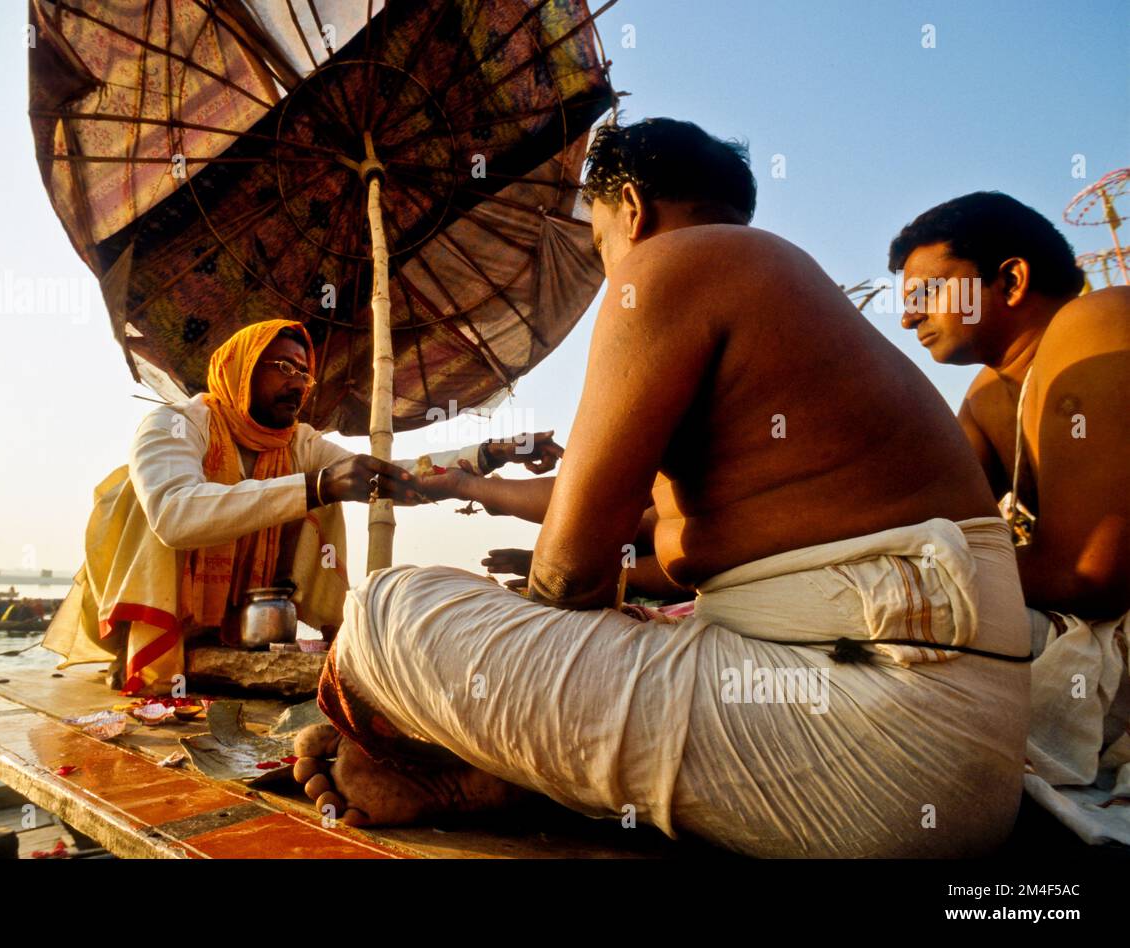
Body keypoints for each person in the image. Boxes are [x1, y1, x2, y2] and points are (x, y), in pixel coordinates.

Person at [290, 118, 1033, 857]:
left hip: (882, 739)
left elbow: (571, 572)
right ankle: (479, 771)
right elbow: (615, 511)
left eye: (599, 241)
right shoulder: (766, 280)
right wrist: (483, 505)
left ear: (633, 210)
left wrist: (453, 715)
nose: (608, 264)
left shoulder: (666, 268)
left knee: (387, 610)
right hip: (941, 747)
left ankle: (462, 773)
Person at [43, 319, 558, 695]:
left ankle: (276, 637)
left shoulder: (298, 441)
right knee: (309, 487)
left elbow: (391, 473)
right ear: (242, 369)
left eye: (305, 375)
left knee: (345, 482)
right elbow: (174, 517)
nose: (297, 383)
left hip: (242, 626)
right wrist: (315, 486)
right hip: (142, 619)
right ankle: (158, 651)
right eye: (283, 367)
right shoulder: (177, 424)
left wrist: (492, 453)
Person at [889, 192, 1130, 843]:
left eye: (928, 291)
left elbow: (1091, 575)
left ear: (1012, 279)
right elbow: (912, 526)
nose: (908, 317)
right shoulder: (989, 394)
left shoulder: (1096, 323)